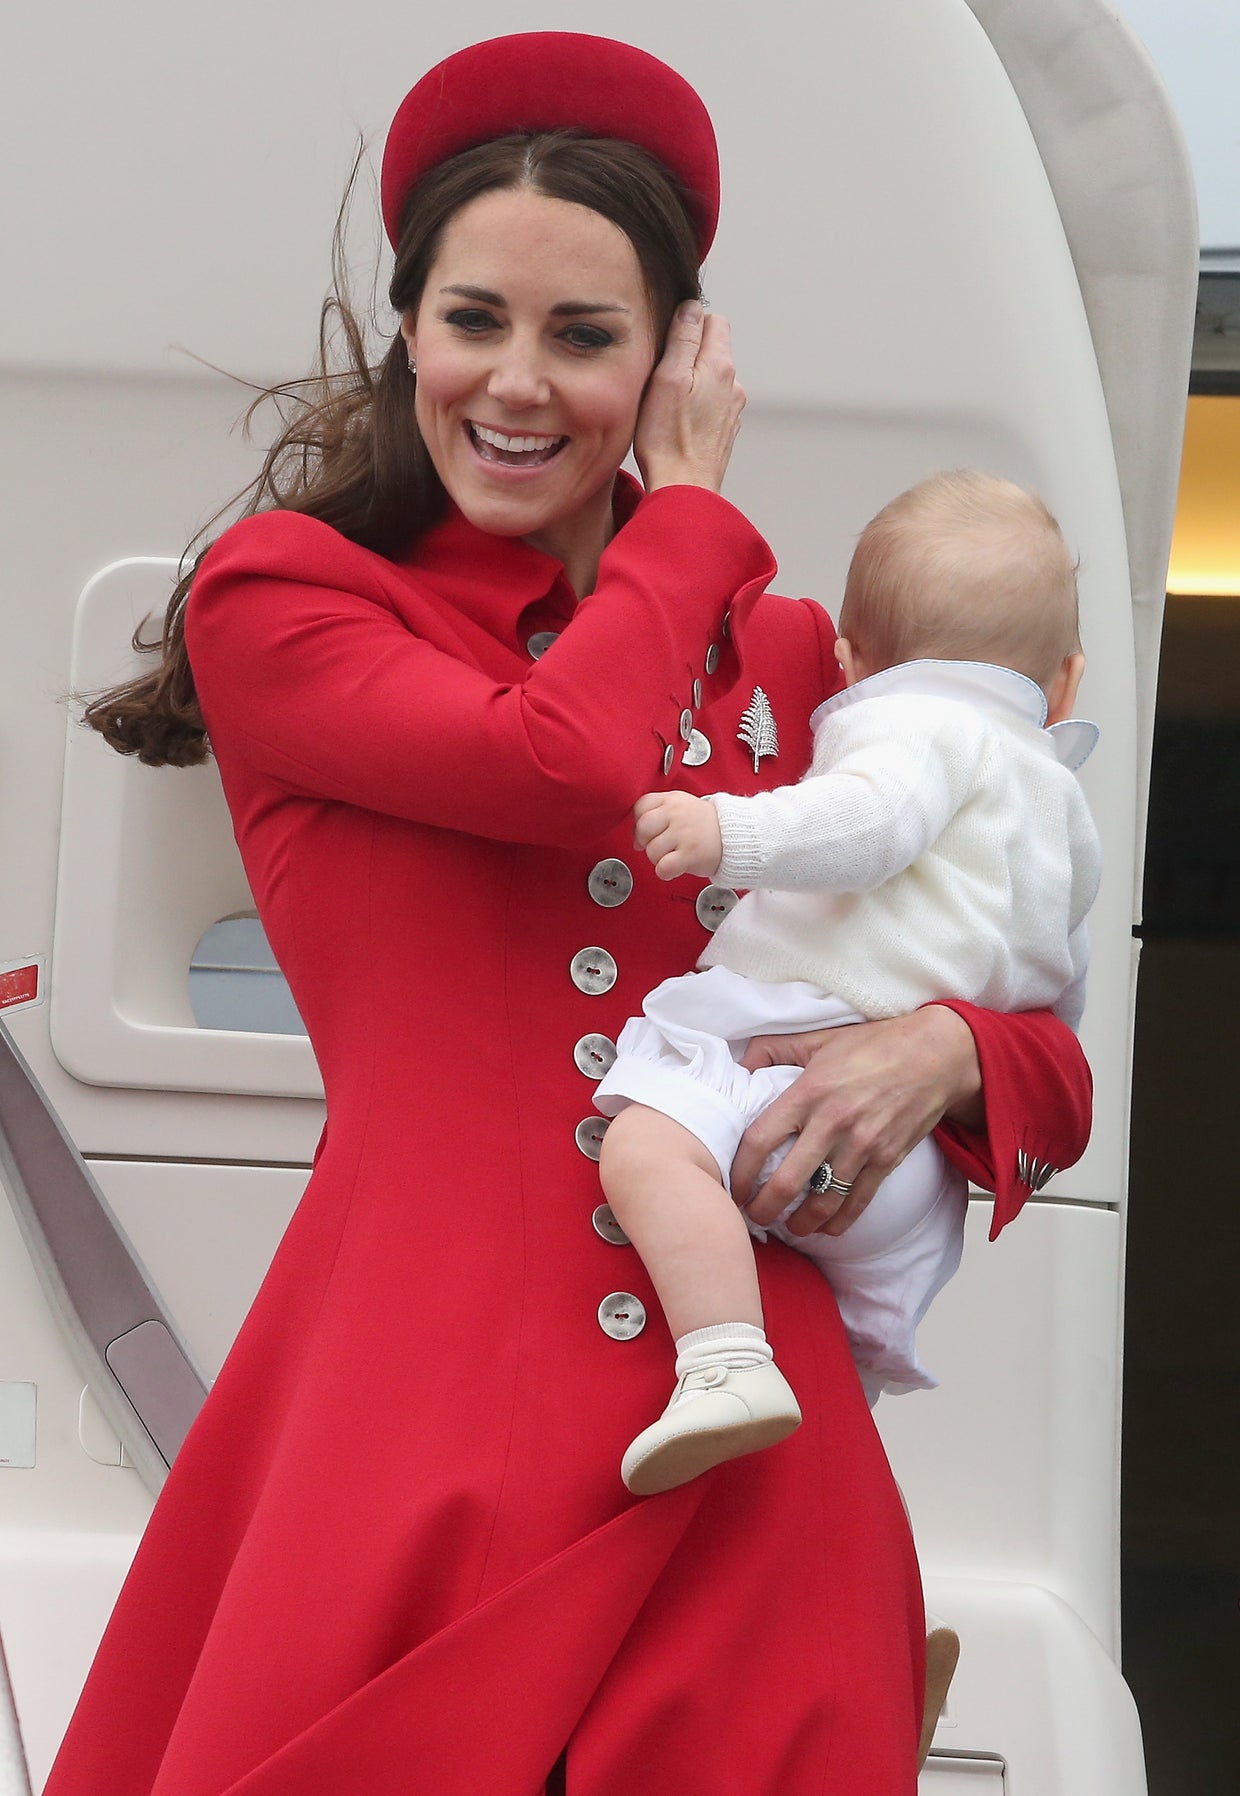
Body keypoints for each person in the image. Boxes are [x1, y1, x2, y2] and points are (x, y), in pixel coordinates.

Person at [45, 33, 1093, 1796]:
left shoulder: (788, 657)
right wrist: (689, 516)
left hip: (747, 1438)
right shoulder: (290, 602)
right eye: (475, 319)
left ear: (675, 352)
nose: (517, 382)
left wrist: (950, 1052)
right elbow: (565, 758)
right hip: (418, 1422)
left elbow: (1040, 1013)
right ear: (408, 330)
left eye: (586, 335)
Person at [593, 471, 1102, 1496]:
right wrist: (963, 1049)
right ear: (1066, 683)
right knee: (836, 1401)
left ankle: (723, 1362)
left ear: (853, 659)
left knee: (646, 1142)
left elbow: (869, 823)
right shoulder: (1056, 799)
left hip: (787, 1082)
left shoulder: (915, 720)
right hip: (912, 1167)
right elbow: (1061, 984)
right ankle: (837, 1416)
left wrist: (724, 832)